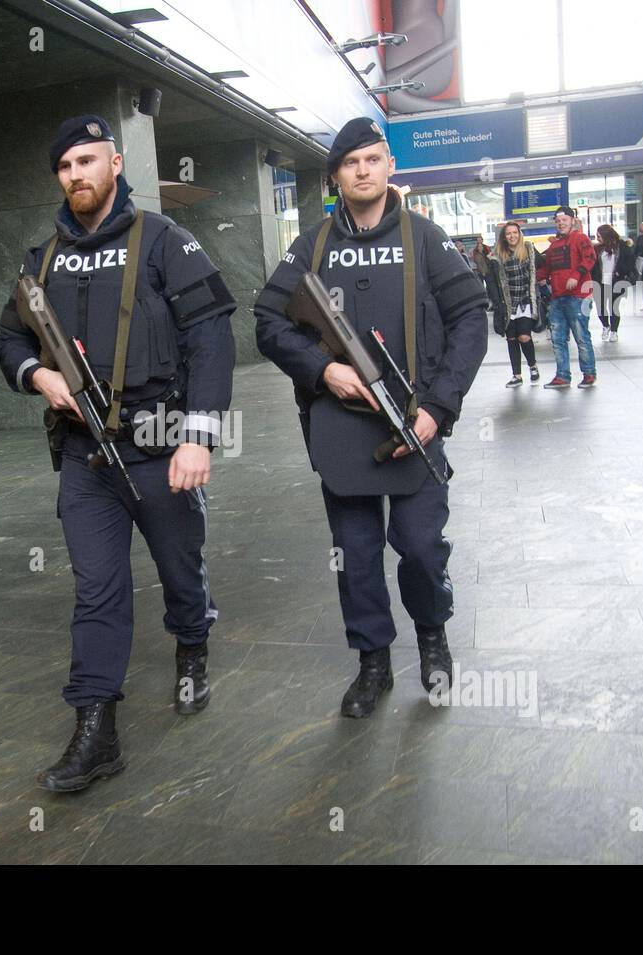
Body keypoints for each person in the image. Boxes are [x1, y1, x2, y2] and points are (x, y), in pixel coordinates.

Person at [0, 114, 237, 791]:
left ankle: (192, 645)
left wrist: (198, 434)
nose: (76, 176)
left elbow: (211, 338)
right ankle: (96, 727)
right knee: (96, 589)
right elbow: (9, 339)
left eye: (87, 161)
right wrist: (38, 375)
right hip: (84, 457)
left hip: (162, 442)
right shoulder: (40, 259)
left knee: (180, 568)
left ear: (115, 164)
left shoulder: (165, 240)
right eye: (65, 166)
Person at [254, 117, 488, 718]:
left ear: (389, 168)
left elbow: (470, 320)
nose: (362, 171)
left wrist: (440, 406)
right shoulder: (311, 245)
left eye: (373, 160)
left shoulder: (425, 237)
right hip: (342, 426)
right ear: (335, 176)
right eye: (350, 163)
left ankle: (432, 636)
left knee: (418, 545)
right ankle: (372, 662)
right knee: (354, 554)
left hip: (416, 422)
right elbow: (270, 321)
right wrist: (321, 370)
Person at [538, 206, 598, 388]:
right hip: (557, 297)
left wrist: (576, 275)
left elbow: (590, 258)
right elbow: (547, 267)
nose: (561, 223)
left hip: (579, 296)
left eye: (564, 220)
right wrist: (538, 277)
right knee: (558, 339)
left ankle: (589, 374)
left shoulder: (581, 238)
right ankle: (562, 376)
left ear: (572, 220)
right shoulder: (554, 246)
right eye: (557, 221)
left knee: (581, 337)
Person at [488, 220, 545, 385]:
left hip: (526, 301)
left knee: (524, 336)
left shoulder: (528, 249)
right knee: (512, 339)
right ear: (504, 237)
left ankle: (533, 366)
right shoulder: (498, 256)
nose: (512, 236)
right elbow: (492, 280)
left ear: (519, 234)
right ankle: (517, 375)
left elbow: (541, 264)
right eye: (508, 233)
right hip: (508, 304)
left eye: (515, 232)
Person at [590, 224, 637, 342]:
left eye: (599, 235)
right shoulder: (598, 248)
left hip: (616, 282)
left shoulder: (622, 247)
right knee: (600, 308)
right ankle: (605, 326)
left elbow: (630, 262)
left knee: (613, 307)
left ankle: (614, 331)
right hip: (599, 282)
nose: (597, 238)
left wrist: (620, 272)